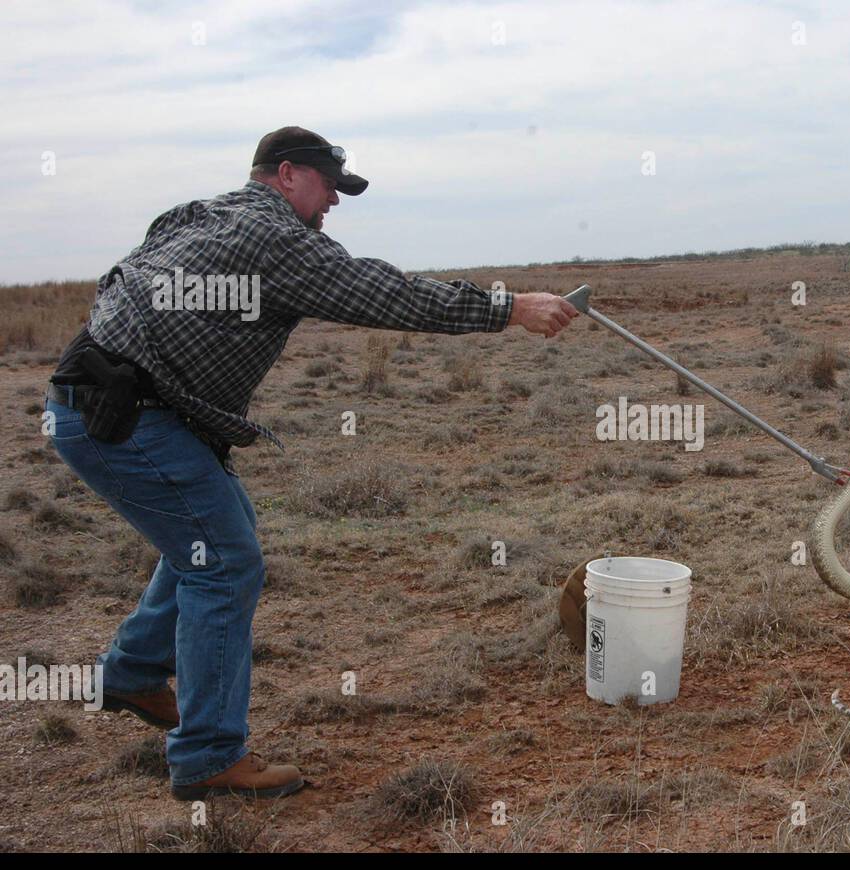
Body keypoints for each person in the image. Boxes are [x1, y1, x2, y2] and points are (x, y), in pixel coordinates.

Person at [45, 126, 580, 800]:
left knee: (216, 531)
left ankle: (133, 673)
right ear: (288, 173)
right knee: (225, 558)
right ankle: (208, 755)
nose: (333, 201)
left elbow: (117, 280)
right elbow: (384, 294)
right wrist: (508, 308)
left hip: (98, 397)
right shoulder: (276, 240)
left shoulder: (202, 213)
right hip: (122, 414)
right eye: (329, 186)